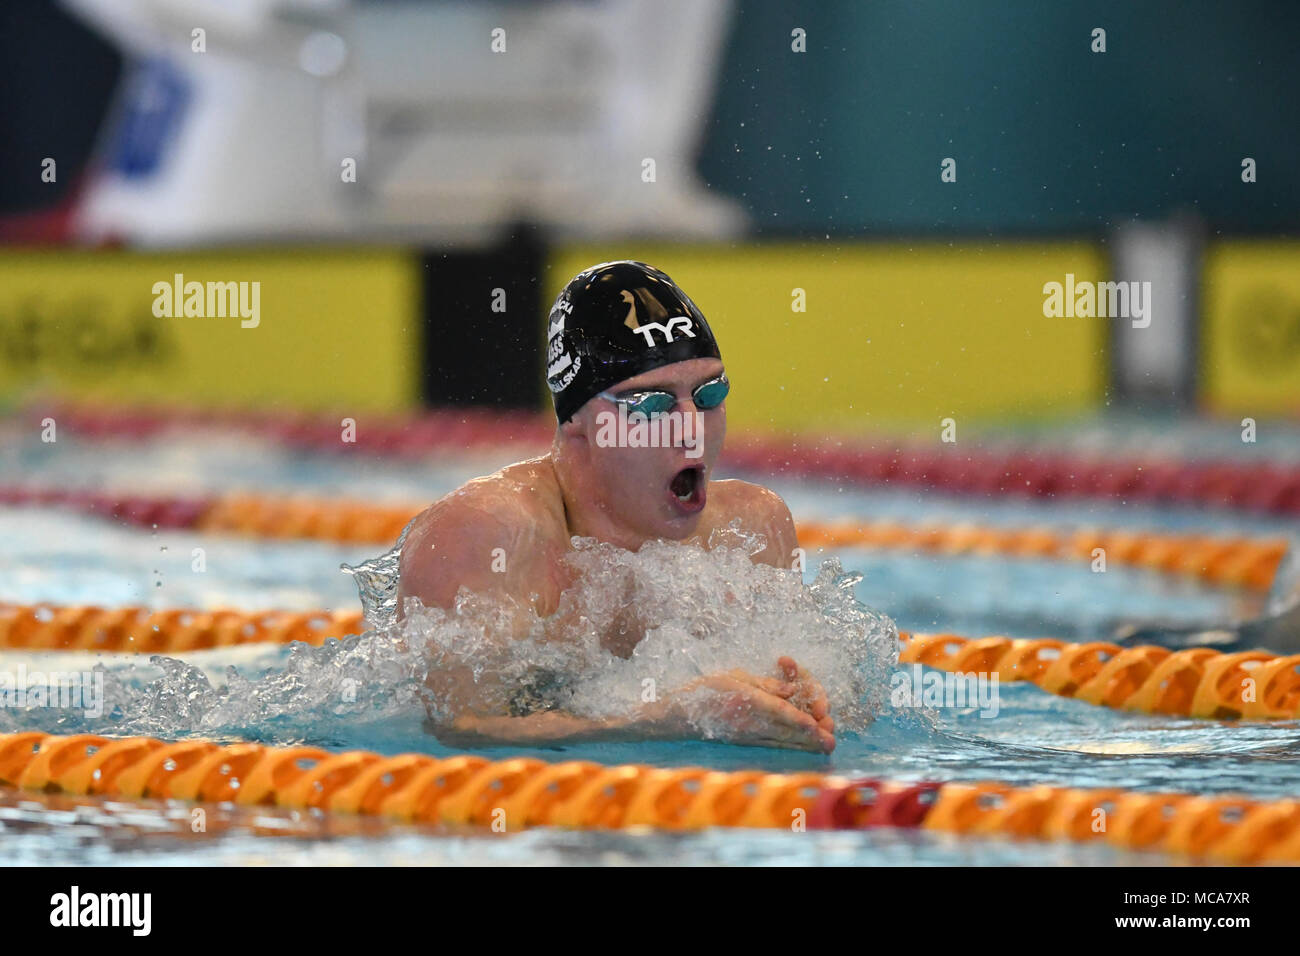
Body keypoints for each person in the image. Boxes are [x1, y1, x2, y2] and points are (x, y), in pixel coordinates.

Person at [397, 260, 835, 752]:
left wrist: (802, 699)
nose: (690, 426)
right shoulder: (486, 535)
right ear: (578, 420)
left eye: (709, 395)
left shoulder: (754, 528)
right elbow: (456, 733)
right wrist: (667, 717)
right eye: (651, 405)